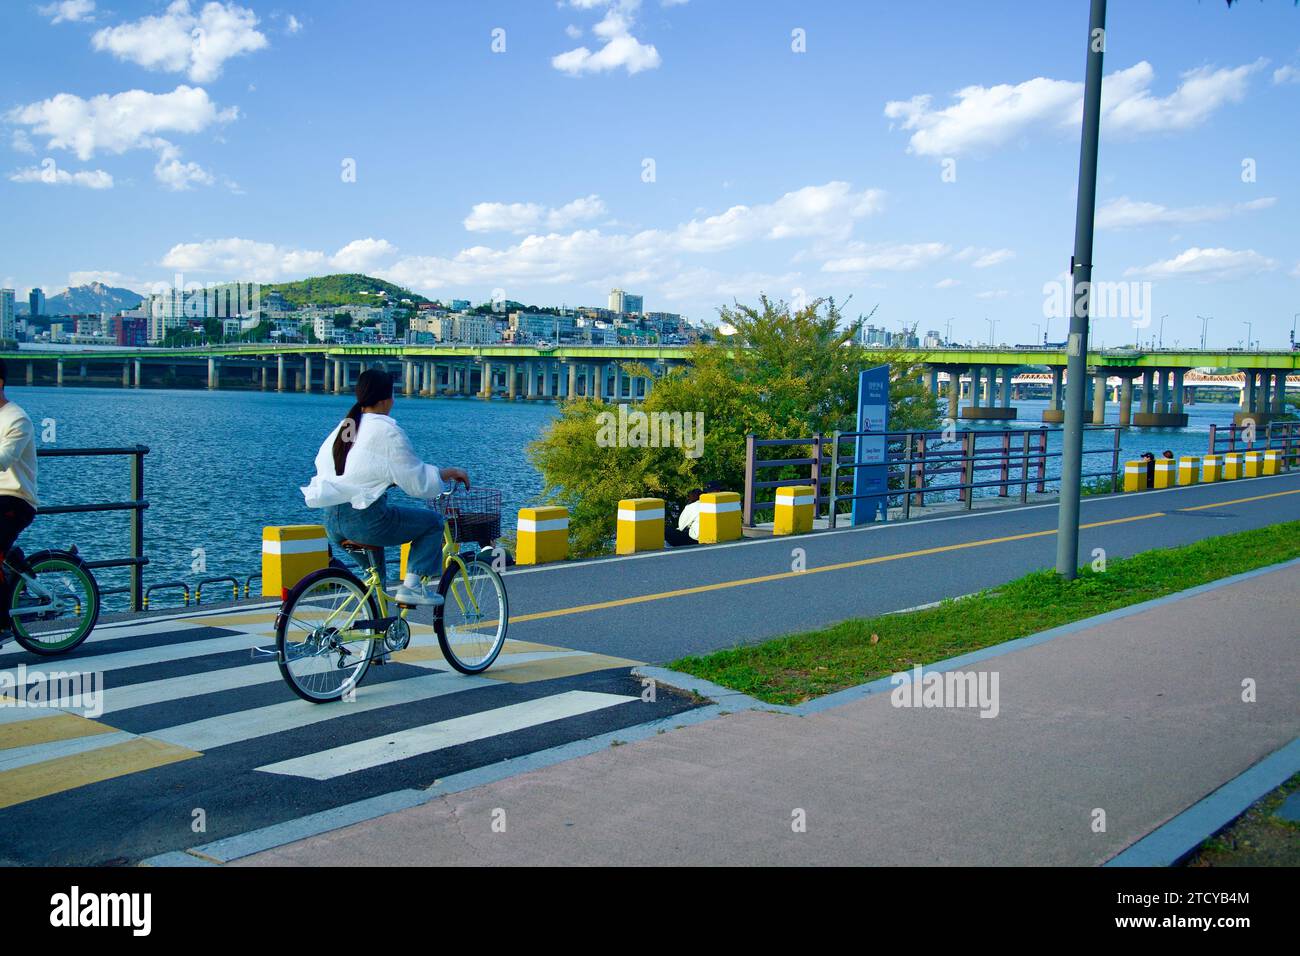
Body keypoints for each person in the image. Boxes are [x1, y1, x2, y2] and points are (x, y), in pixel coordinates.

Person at [301, 369, 470, 606]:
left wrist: (382, 481)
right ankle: (412, 587)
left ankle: (376, 638)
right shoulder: (387, 431)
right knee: (433, 523)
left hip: (332, 520)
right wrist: (448, 473)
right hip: (364, 522)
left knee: (375, 581)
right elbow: (419, 482)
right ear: (386, 400)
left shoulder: (346, 426)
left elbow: (343, 468)